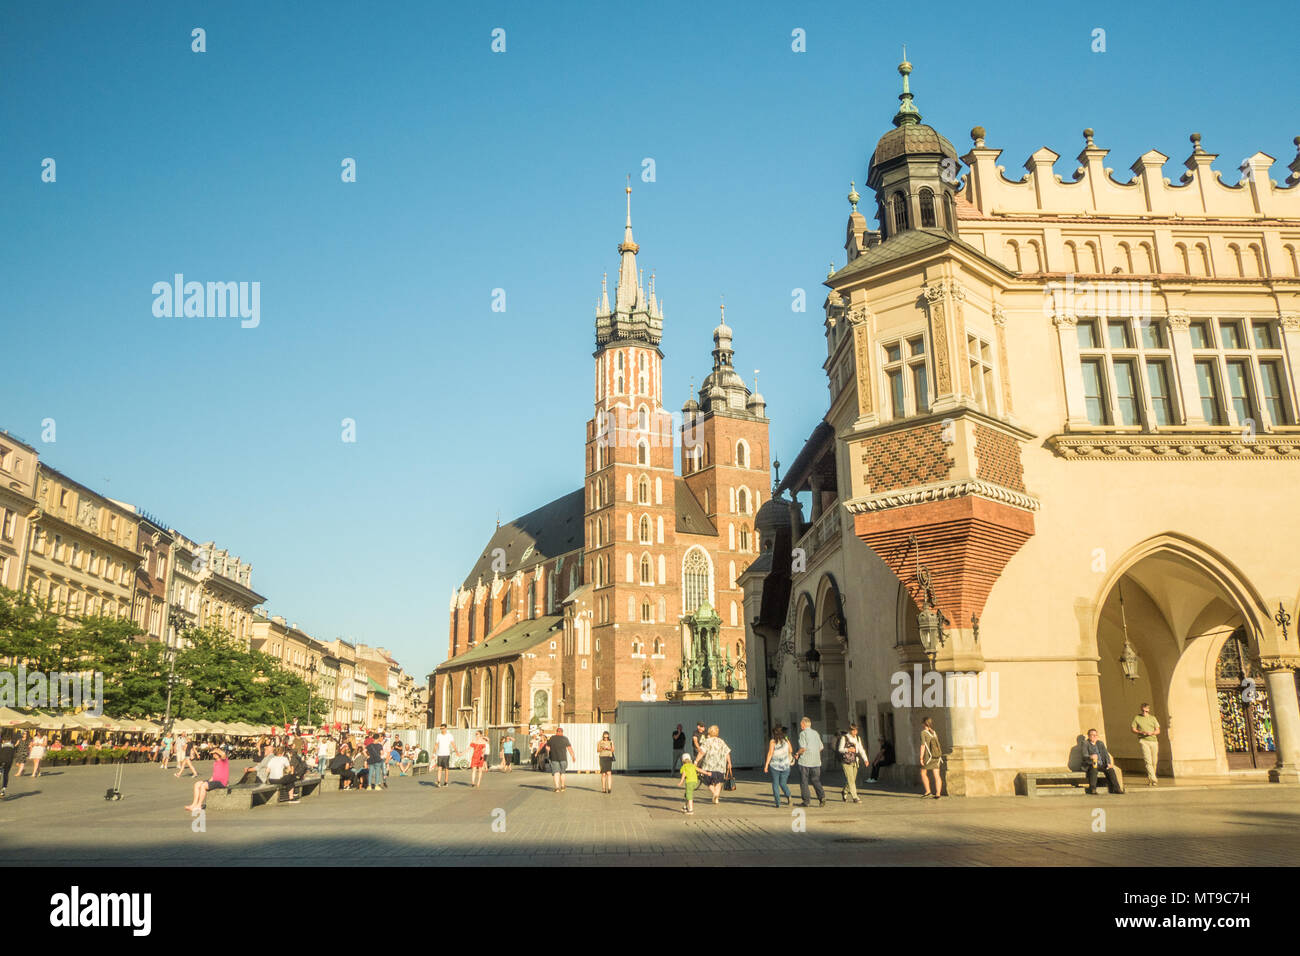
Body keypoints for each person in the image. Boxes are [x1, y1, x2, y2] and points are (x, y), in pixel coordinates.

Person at [696, 725, 732, 805]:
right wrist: (729, 763)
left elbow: (702, 752)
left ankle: (715, 794)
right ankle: (716, 796)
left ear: (709, 732)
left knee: (708, 782)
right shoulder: (721, 741)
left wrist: (696, 761)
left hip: (709, 766)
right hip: (720, 766)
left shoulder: (707, 741)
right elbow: (727, 752)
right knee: (718, 782)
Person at [185, 746, 229, 811]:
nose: (214, 755)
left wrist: (216, 750)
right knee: (197, 784)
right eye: (213, 754)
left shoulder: (224, 760)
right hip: (215, 781)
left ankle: (199, 805)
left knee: (204, 785)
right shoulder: (215, 763)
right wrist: (209, 780)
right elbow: (215, 775)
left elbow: (223, 754)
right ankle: (194, 804)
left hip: (221, 782)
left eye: (216, 754)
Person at [1081, 729, 1125, 795]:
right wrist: (1090, 756)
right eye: (1092, 735)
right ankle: (1093, 789)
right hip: (1090, 764)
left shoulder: (1100, 743)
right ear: (1088, 736)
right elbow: (1084, 755)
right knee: (1094, 769)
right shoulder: (1085, 743)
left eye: (1095, 735)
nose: (1093, 736)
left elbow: (1106, 754)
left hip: (1101, 764)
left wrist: (1108, 763)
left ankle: (1116, 789)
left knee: (1110, 769)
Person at [794, 718, 824, 807]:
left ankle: (806, 801)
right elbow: (821, 747)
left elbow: (803, 748)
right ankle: (822, 797)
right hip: (816, 761)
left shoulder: (803, 734)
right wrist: (814, 752)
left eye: (801, 725)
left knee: (804, 781)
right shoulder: (816, 733)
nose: (800, 726)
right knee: (816, 780)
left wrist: (797, 754)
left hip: (805, 762)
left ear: (804, 725)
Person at [763, 724, 793, 808]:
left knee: (775, 784)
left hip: (774, 766)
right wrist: (787, 740)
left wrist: (766, 765)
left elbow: (770, 753)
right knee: (783, 783)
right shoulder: (786, 740)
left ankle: (778, 802)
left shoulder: (772, 742)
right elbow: (791, 750)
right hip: (785, 766)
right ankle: (789, 796)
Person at [1131, 703, 1161, 787]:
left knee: (1154, 761)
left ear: (1148, 710)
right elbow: (1133, 729)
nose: (1144, 712)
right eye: (1143, 711)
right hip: (1144, 741)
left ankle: (1151, 778)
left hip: (1154, 741)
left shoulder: (1153, 718)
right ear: (1141, 709)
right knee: (1148, 760)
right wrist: (1141, 732)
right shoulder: (1137, 718)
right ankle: (1154, 779)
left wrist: (1152, 733)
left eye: (1146, 711)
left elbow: (1158, 730)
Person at [837, 724, 867, 804]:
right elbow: (840, 749)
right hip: (846, 761)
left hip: (855, 760)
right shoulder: (844, 738)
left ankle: (845, 791)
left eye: (856, 730)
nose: (855, 732)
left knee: (852, 779)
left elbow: (861, 749)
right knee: (850, 779)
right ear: (850, 730)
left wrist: (865, 759)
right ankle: (855, 797)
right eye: (853, 730)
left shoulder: (858, 738)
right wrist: (848, 749)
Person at [546, 727, 576, 792]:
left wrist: (549, 754)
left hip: (554, 758)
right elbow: (569, 748)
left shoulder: (552, 738)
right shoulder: (565, 738)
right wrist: (573, 756)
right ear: (562, 732)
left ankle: (557, 788)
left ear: (556, 732)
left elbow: (547, 748)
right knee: (562, 773)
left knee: (556, 773)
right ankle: (562, 786)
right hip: (563, 758)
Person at [919, 717, 943, 798]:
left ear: (923, 723)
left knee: (923, 773)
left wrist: (921, 758)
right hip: (936, 756)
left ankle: (928, 791)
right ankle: (938, 793)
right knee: (937, 775)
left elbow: (923, 746)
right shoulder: (934, 732)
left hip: (928, 757)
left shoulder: (923, 733)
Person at [434, 724, 457, 788]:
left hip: (446, 754)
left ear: (446, 728)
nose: (442, 730)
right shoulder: (438, 735)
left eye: (443, 728)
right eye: (441, 728)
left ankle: (446, 782)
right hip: (440, 754)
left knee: (446, 768)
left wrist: (457, 751)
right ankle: (438, 781)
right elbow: (436, 744)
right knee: (439, 768)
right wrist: (434, 753)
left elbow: (453, 744)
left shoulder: (449, 735)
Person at [0, 731, 14, 798]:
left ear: (3, 740)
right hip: (9, 762)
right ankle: (3, 790)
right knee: (6, 775)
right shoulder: (12, 746)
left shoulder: (2, 746)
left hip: (1, 761)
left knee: (0, 773)